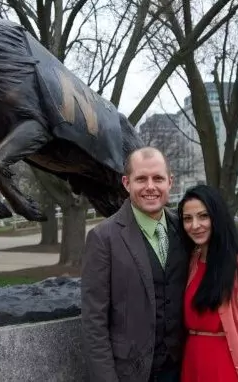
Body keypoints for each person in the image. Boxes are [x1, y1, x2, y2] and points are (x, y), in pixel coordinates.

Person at [82, 147, 190, 382]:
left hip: (182, 369)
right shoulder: (103, 238)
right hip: (130, 374)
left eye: (158, 178)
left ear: (170, 182)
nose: (150, 186)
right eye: (141, 178)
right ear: (126, 183)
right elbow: (94, 323)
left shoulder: (185, 230)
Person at [178, 184, 238, 382]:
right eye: (188, 218)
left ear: (217, 217)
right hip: (191, 364)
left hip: (227, 368)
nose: (195, 225)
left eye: (203, 216)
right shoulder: (191, 263)